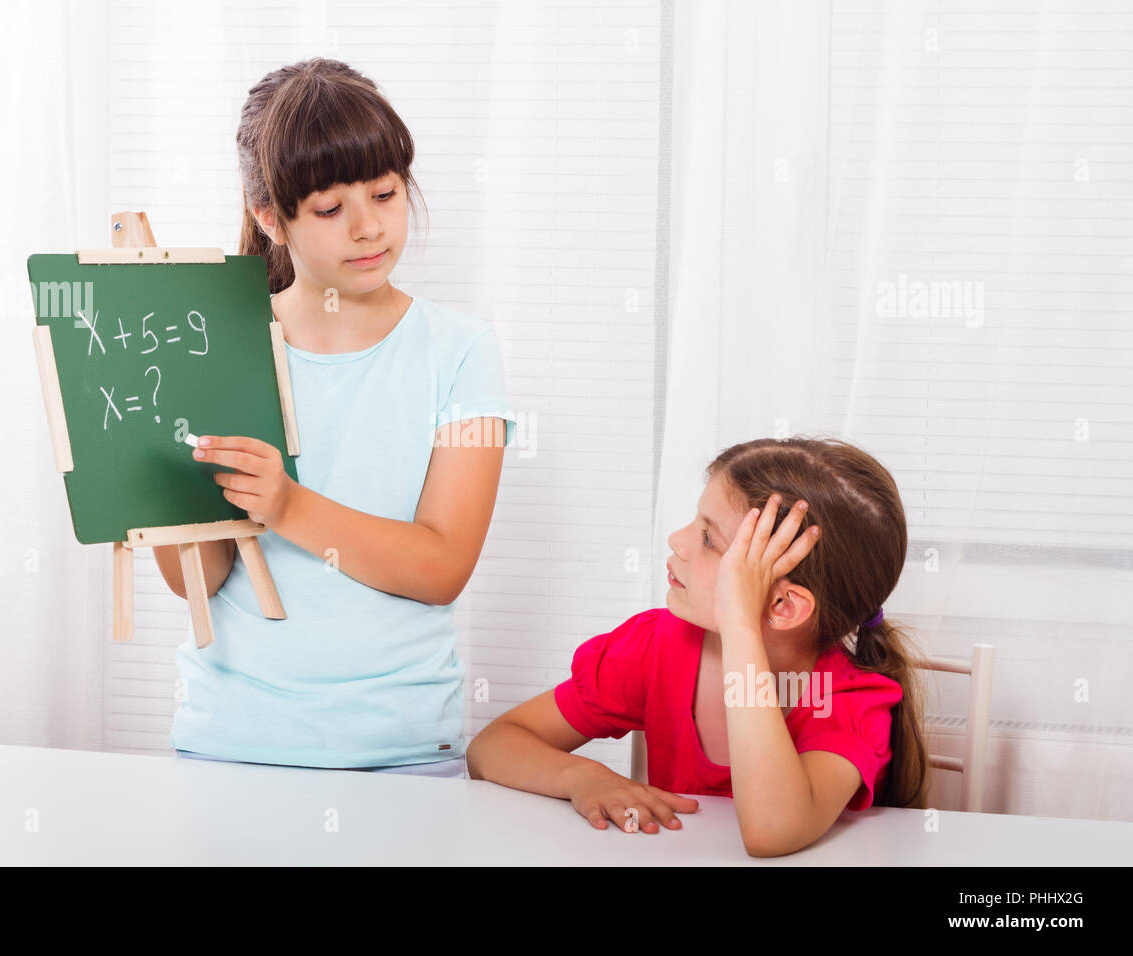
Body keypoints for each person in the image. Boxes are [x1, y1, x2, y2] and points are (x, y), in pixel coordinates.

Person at [158, 58, 515, 778]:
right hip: (230, 741)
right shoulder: (217, 347)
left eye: (384, 194)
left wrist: (289, 505)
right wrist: (154, 457)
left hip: (402, 750)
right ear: (270, 217)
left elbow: (443, 566)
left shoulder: (461, 353)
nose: (368, 227)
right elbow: (195, 576)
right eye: (330, 209)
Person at [467, 436, 930, 854]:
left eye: (709, 538)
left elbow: (772, 832)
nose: (677, 541)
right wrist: (582, 777)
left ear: (784, 605)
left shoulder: (847, 700)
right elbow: (492, 747)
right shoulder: (656, 646)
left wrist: (741, 626)